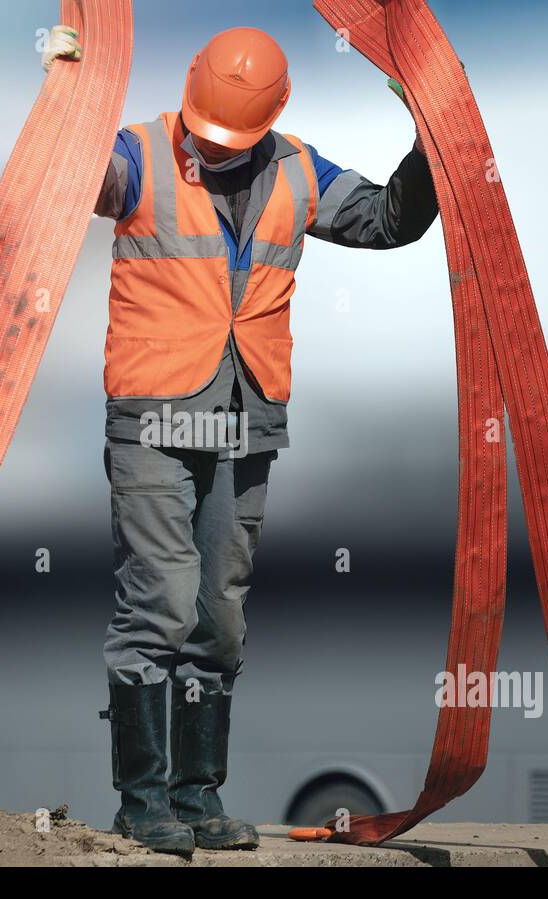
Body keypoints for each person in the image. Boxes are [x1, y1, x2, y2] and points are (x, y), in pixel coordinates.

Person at [44, 24, 440, 855]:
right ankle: (141, 799)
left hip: (243, 415)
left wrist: (432, 135)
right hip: (155, 419)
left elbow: (389, 220)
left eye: (236, 140)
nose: (218, 151)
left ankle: (197, 794)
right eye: (210, 134)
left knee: (219, 616)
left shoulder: (297, 168)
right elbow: (68, 177)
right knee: (161, 599)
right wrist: (65, 91)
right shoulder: (139, 154)